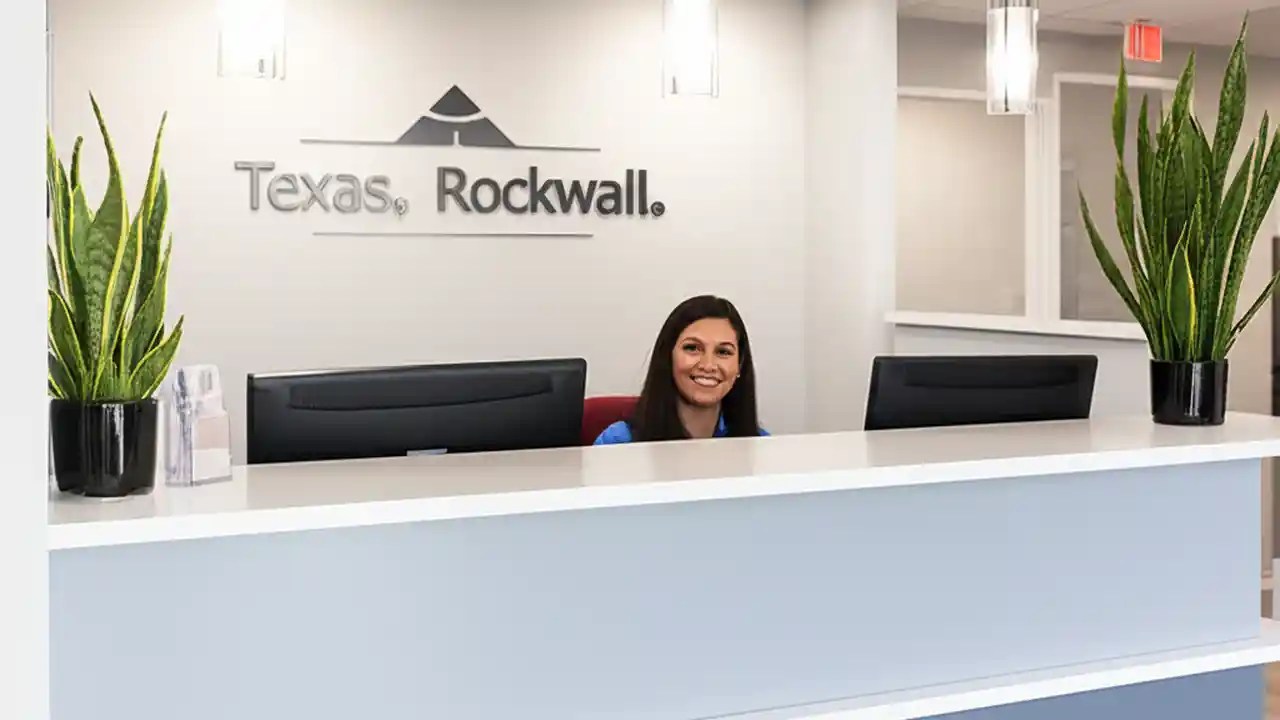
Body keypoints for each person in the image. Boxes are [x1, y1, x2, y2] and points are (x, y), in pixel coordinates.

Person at [594, 295, 768, 444]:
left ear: (739, 365)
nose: (708, 365)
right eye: (692, 348)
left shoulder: (760, 444)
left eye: (723, 352)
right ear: (668, 357)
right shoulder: (619, 442)